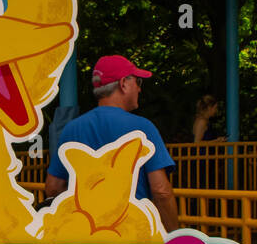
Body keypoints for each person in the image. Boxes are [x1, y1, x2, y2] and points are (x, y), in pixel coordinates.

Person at [43, 55, 179, 232]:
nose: (139, 89)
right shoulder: (143, 128)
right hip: (131, 235)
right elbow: (161, 191)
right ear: (123, 83)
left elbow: (53, 187)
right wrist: (173, 236)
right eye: (138, 82)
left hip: (85, 237)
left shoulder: (71, 129)